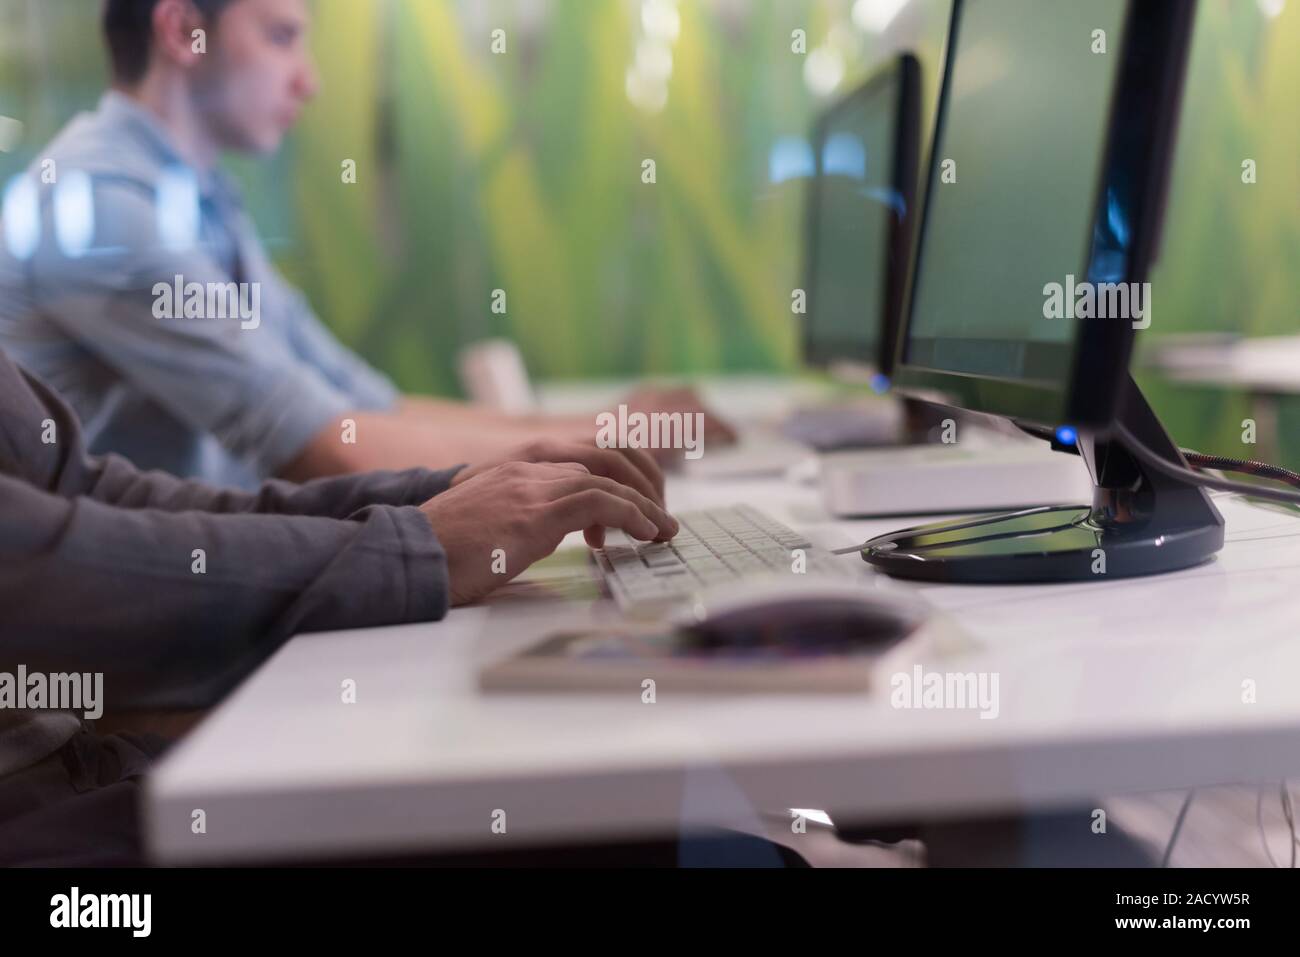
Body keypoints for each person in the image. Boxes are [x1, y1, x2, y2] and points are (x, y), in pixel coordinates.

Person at [0, 0, 731, 492]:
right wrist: (602, 446)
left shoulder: (203, 203)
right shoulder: (100, 206)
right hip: (107, 667)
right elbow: (329, 449)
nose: (310, 81)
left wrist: (611, 427)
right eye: (282, 36)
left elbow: (364, 404)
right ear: (180, 30)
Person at [0, 344, 678, 864]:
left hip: (93, 767)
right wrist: (420, 544)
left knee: (609, 802)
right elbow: (32, 571)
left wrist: (443, 496)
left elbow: (92, 497)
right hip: (48, 827)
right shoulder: (117, 212)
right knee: (610, 819)